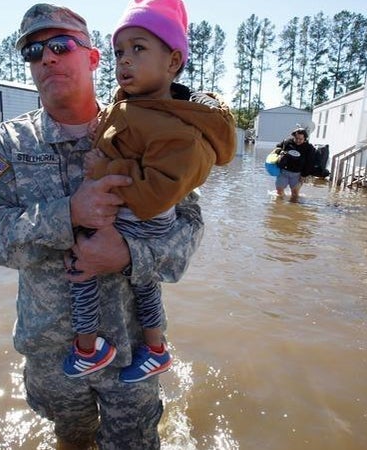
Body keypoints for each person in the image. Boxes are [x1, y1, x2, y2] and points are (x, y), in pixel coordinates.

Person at [0, 3, 205, 448]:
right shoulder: (8, 144)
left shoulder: (143, 129)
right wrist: (67, 214)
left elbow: (189, 223)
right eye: (33, 52)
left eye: (60, 45)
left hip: (134, 351)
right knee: (72, 440)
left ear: (93, 58)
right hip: (54, 357)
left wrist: (130, 255)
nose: (46, 58)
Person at [63, 0, 236, 384]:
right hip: (134, 213)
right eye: (119, 52)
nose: (124, 60)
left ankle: (90, 349)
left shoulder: (178, 127)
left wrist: (103, 169)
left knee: (82, 264)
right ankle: (152, 349)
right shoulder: (133, 105)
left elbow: (157, 192)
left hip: (143, 216)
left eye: (138, 48)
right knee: (143, 285)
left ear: (173, 62)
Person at [274, 126, 315, 202]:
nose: (298, 141)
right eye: (296, 138)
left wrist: (304, 175)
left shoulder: (309, 148)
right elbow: (277, 149)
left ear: (305, 139)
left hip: (297, 174)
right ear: (293, 136)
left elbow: (310, 162)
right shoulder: (287, 142)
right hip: (283, 172)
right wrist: (280, 152)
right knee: (279, 192)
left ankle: (293, 206)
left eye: (301, 139)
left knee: (295, 194)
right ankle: (279, 206)